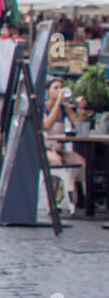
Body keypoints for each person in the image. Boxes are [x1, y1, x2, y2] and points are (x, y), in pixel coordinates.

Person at [43, 79, 87, 208]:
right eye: (55, 88)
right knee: (55, 162)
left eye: (61, 88)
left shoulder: (65, 109)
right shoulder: (43, 107)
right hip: (45, 148)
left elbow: (78, 124)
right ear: (48, 91)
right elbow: (47, 125)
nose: (59, 91)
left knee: (81, 162)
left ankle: (77, 198)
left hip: (60, 148)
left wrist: (80, 110)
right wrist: (58, 102)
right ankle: (52, 202)